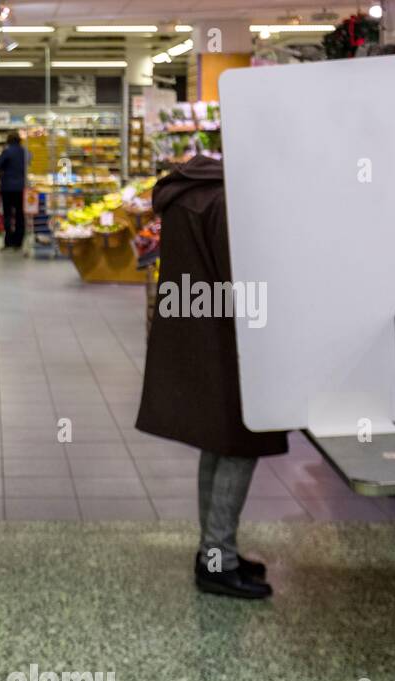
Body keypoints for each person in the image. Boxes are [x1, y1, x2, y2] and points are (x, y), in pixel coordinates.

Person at [135, 155, 287, 600]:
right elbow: (240, 277)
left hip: (199, 331)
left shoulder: (188, 192)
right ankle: (215, 560)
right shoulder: (223, 201)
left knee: (218, 444)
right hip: (227, 339)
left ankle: (221, 553)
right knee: (240, 444)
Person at [0, 132, 27, 250]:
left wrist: (0, 175)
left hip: (7, 187)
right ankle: (19, 242)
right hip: (21, 187)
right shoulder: (24, 151)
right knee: (20, 214)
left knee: (7, 214)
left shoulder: (7, 151)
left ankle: (8, 241)